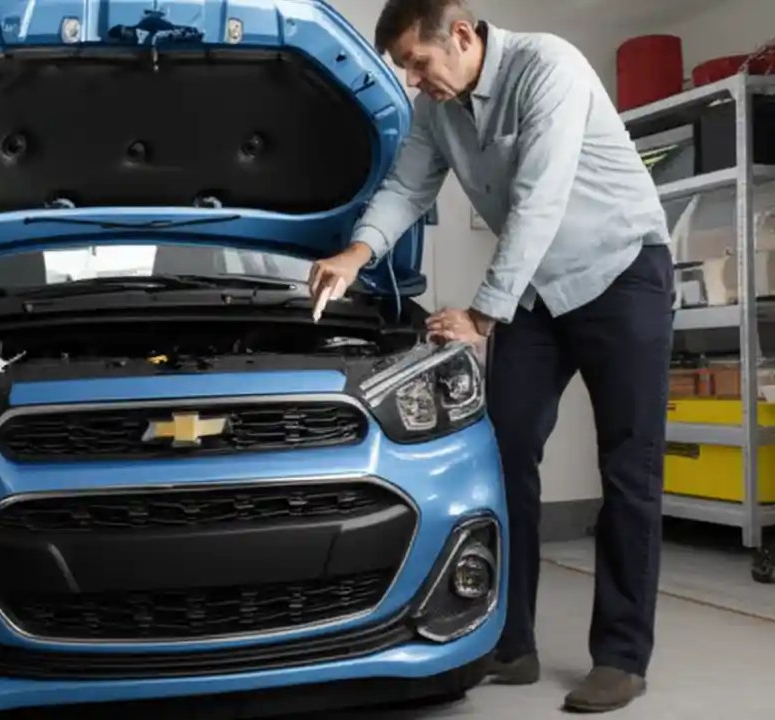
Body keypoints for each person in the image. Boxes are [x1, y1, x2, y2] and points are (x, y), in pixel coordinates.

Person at [309, 0, 672, 713]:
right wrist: (355, 253)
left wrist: (480, 313)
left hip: (620, 271)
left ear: (465, 35)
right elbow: (407, 186)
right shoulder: (440, 109)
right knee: (503, 456)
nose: (415, 80)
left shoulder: (550, 68)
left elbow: (539, 200)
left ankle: (623, 656)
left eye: (419, 61)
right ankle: (511, 641)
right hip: (539, 290)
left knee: (629, 465)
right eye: (405, 67)